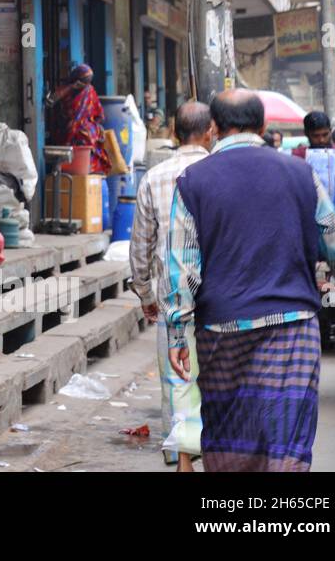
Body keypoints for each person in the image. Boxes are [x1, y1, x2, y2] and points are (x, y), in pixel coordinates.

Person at [163, 89, 335, 472]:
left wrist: (177, 334)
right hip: (292, 327)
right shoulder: (300, 174)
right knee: (286, 442)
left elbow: (181, 267)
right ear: (263, 126)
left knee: (228, 436)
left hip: (221, 330)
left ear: (214, 128)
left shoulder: (192, 182)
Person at [129, 100, 212, 471]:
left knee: (177, 377)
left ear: (174, 133)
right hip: (221, 294)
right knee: (216, 375)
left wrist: (146, 293)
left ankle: (182, 457)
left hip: (172, 297)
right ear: (211, 132)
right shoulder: (217, 172)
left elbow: (140, 246)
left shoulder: (155, 177)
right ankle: (212, 449)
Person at [46, 63, 110, 173]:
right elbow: (51, 101)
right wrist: (71, 87)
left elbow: (99, 115)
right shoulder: (67, 89)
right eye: (84, 81)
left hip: (85, 136)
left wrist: (90, 126)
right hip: (66, 132)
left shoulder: (89, 91)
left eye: (88, 82)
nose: (85, 85)